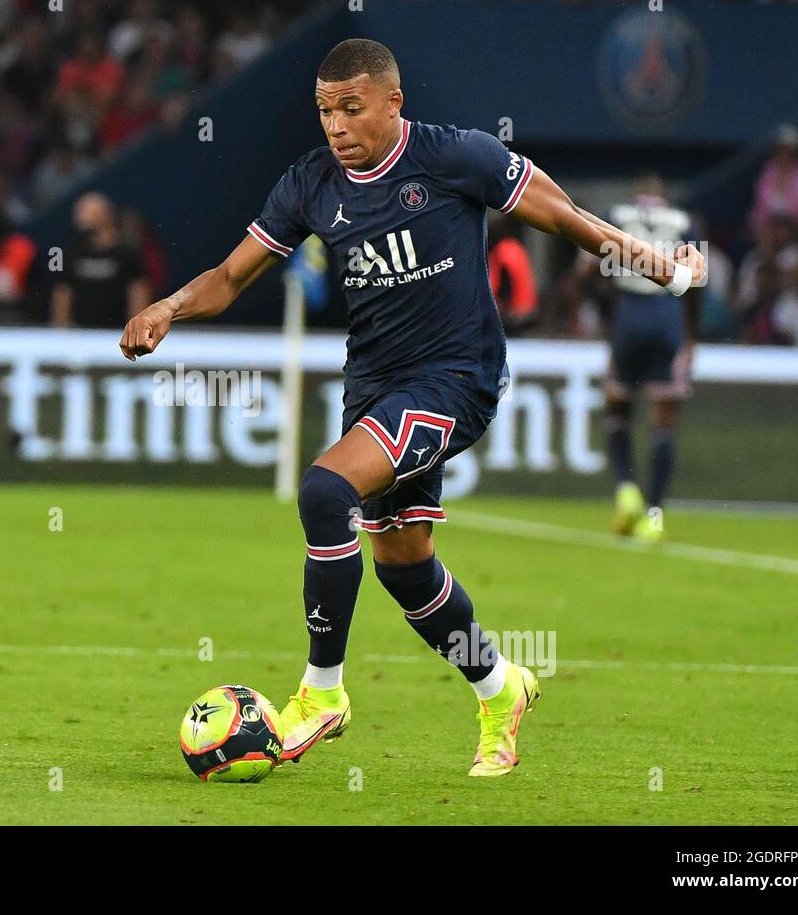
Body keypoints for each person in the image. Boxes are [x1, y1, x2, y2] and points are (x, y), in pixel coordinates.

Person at [119, 39, 705, 777]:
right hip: (374, 386)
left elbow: (567, 219)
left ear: (393, 102)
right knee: (403, 566)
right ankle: (501, 689)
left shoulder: (456, 157)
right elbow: (233, 275)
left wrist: (666, 270)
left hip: (456, 380)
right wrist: (169, 307)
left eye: (351, 108)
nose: (335, 126)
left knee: (323, 491)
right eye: (325, 111)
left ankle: (321, 692)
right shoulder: (309, 185)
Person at [597, 174, 701, 543]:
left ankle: (627, 491)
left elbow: (593, 271)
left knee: (617, 408)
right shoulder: (684, 220)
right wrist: (691, 335)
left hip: (629, 314)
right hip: (667, 314)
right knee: (663, 423)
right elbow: (697, 280)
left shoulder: (617, 213)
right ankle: (654, 515)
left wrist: (610, 319)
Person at [52, 192, 149, 328]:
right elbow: (63, 290)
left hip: (116, 329)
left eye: (85, 211)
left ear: (105, 214)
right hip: (81, 331)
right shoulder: (74, 250)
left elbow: (137, 290)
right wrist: (61, 326)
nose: (79, 216)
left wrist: (137, 327)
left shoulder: (126, 251)